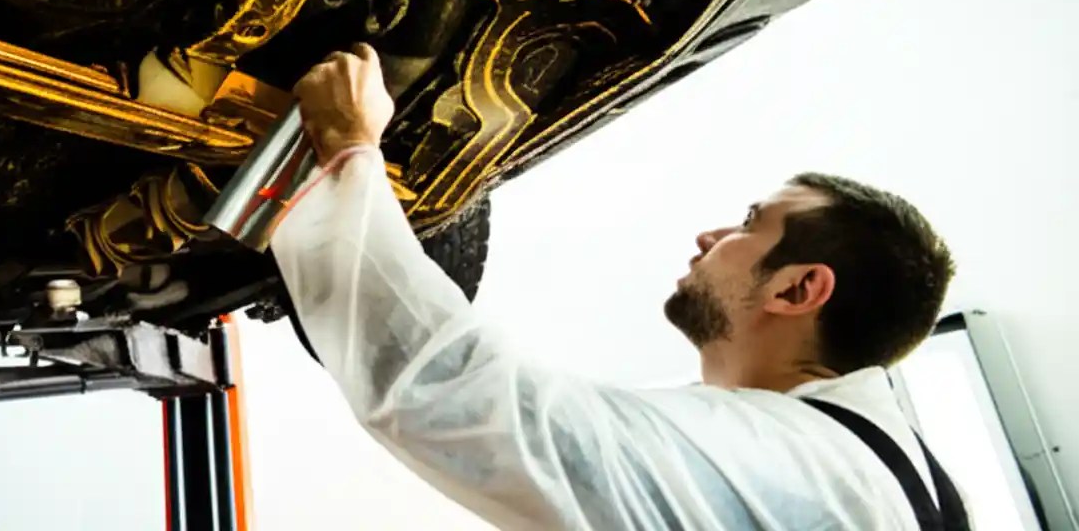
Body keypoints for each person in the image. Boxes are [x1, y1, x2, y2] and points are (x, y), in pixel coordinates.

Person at [269, 43, 969, 530]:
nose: (711, 236)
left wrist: (349, 152)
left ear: (797, 290)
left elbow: (470, 401)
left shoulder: (802, 467)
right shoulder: (880, 479)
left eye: (751, 224)